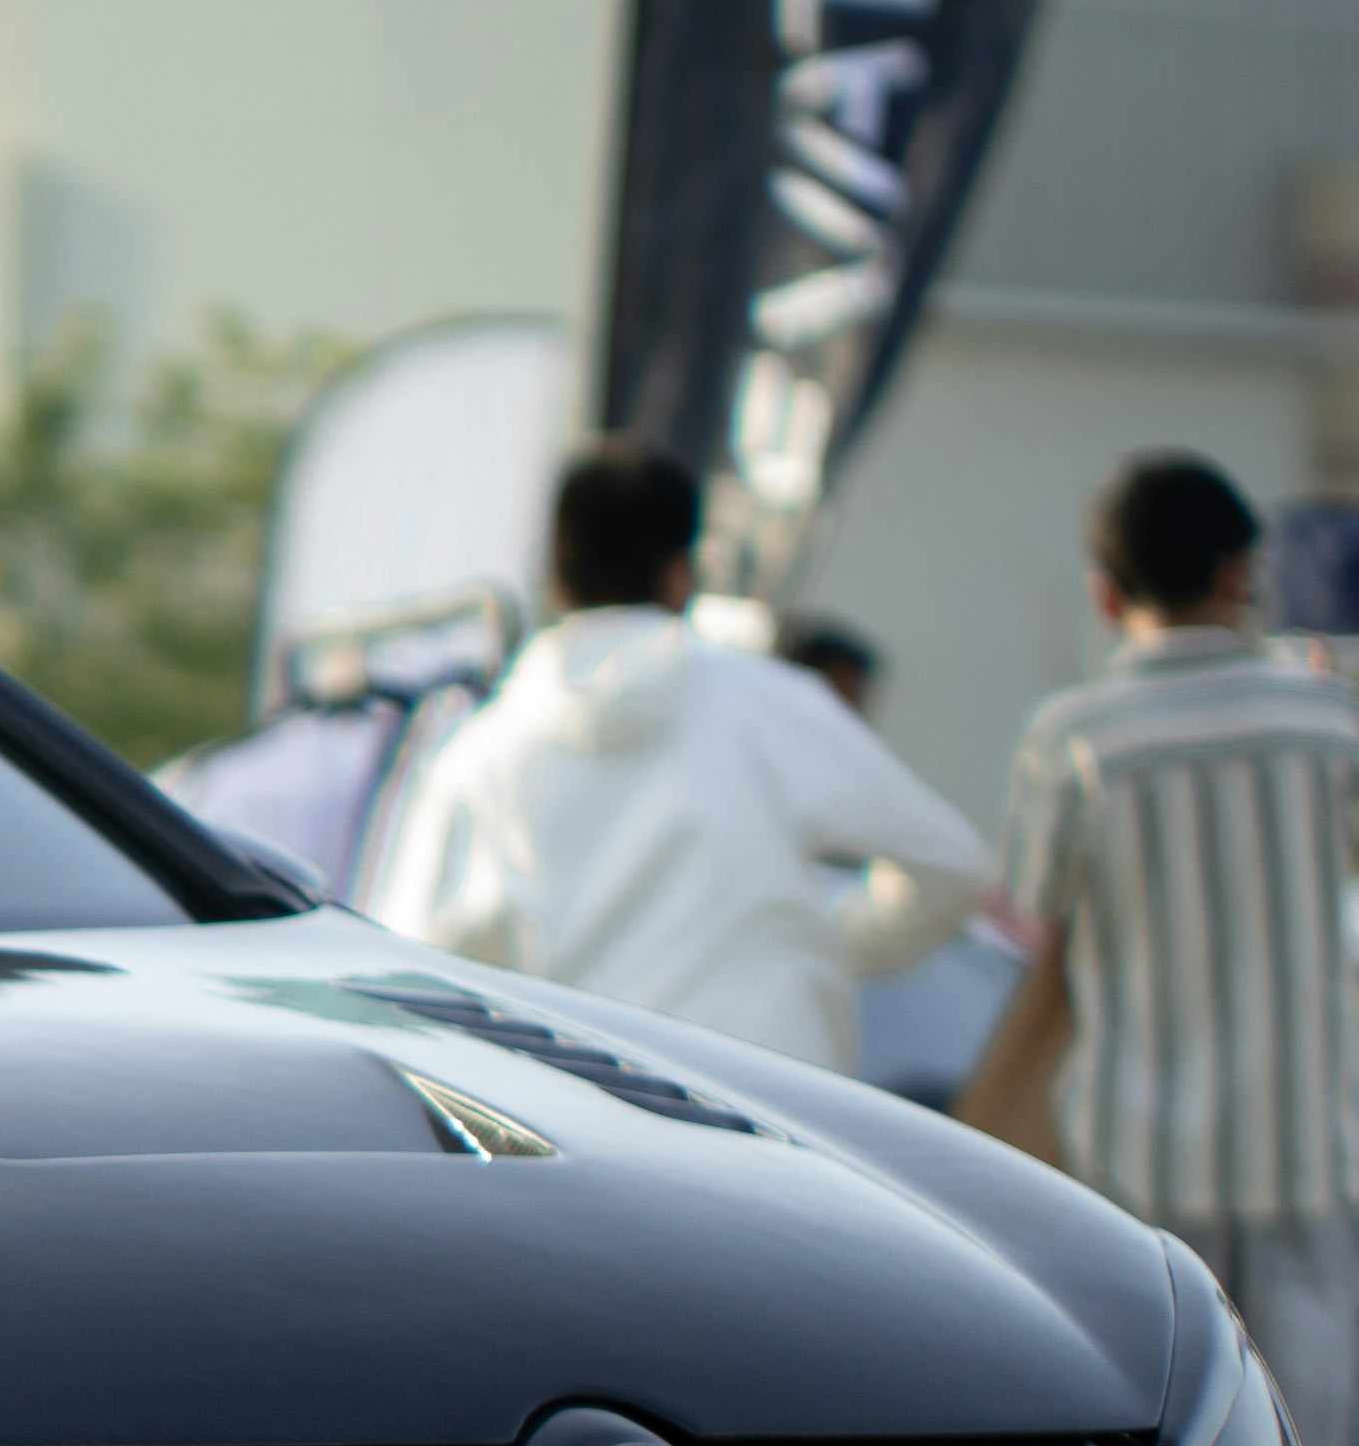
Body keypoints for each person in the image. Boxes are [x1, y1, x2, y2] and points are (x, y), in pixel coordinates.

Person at [964, 451, 1359, 1446]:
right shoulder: (1321, 714)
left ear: (1104, 592)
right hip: (1311, 1170)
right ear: (1243, 574)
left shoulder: (1075, 738)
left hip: (1141, 1197)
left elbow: (1033, 925)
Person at [359, 440, 992, 1069]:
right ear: (681, 572)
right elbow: (953, 864)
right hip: (772, 1112)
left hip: (578, 1122)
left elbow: (406, 975)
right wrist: (827, 936)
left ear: (555, 578)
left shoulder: (481, 754)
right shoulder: (772, 705)